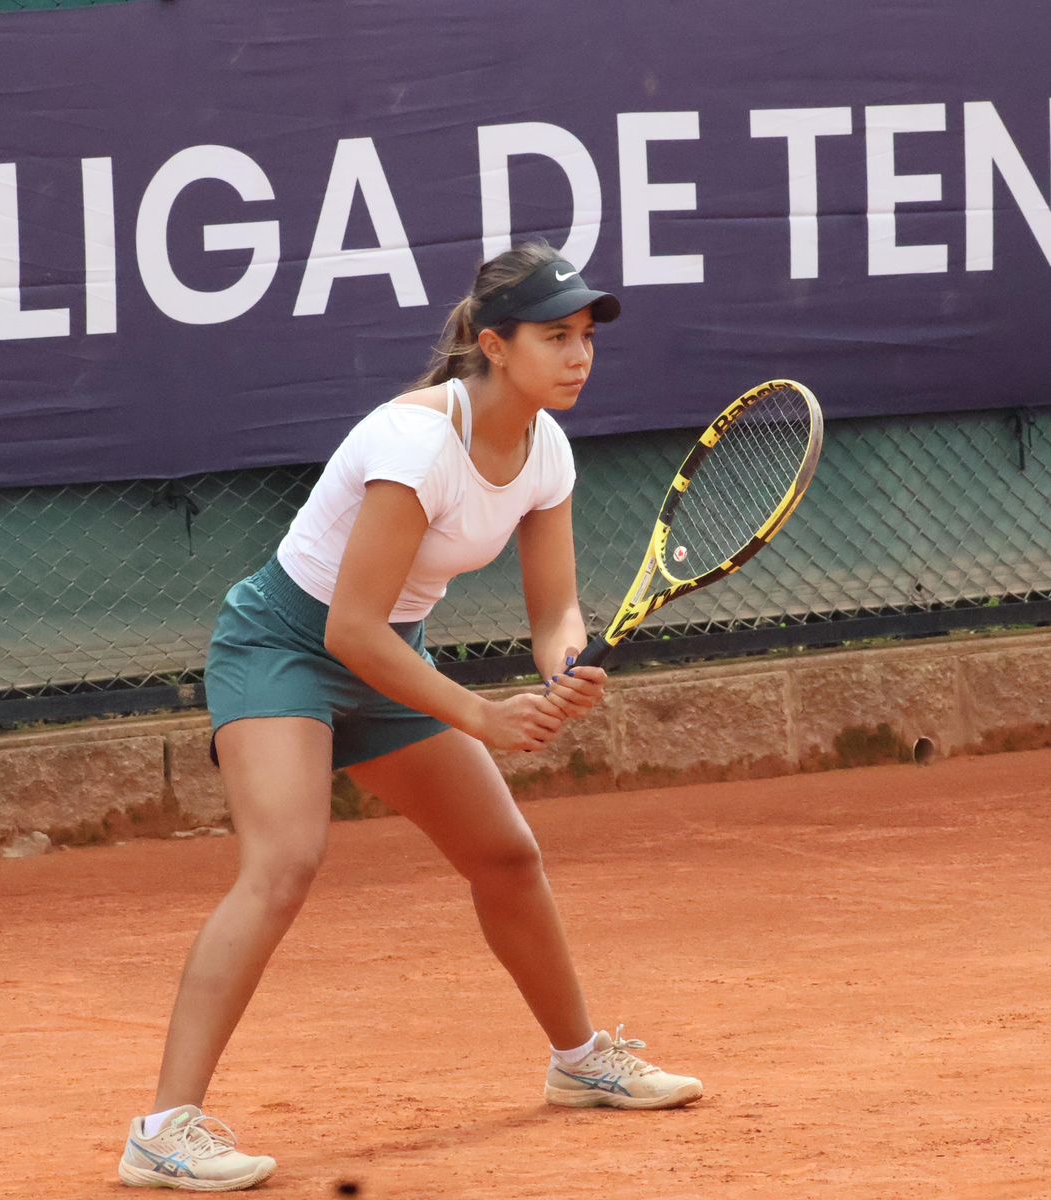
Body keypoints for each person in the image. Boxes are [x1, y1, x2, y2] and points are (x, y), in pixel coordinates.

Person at [117, 243, 703, 1191]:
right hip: (284, 648)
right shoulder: (415, 441)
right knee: (284, 863)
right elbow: (350, 626)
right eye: (556, 336)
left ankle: (578, 1060)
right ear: (493, 344)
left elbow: (553, 609)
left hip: (388, 658)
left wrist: (562, 669)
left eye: (586, 336)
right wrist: (480, 715)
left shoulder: (545, 446)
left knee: (506, 855)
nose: (579, 354)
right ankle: (163, 1129)